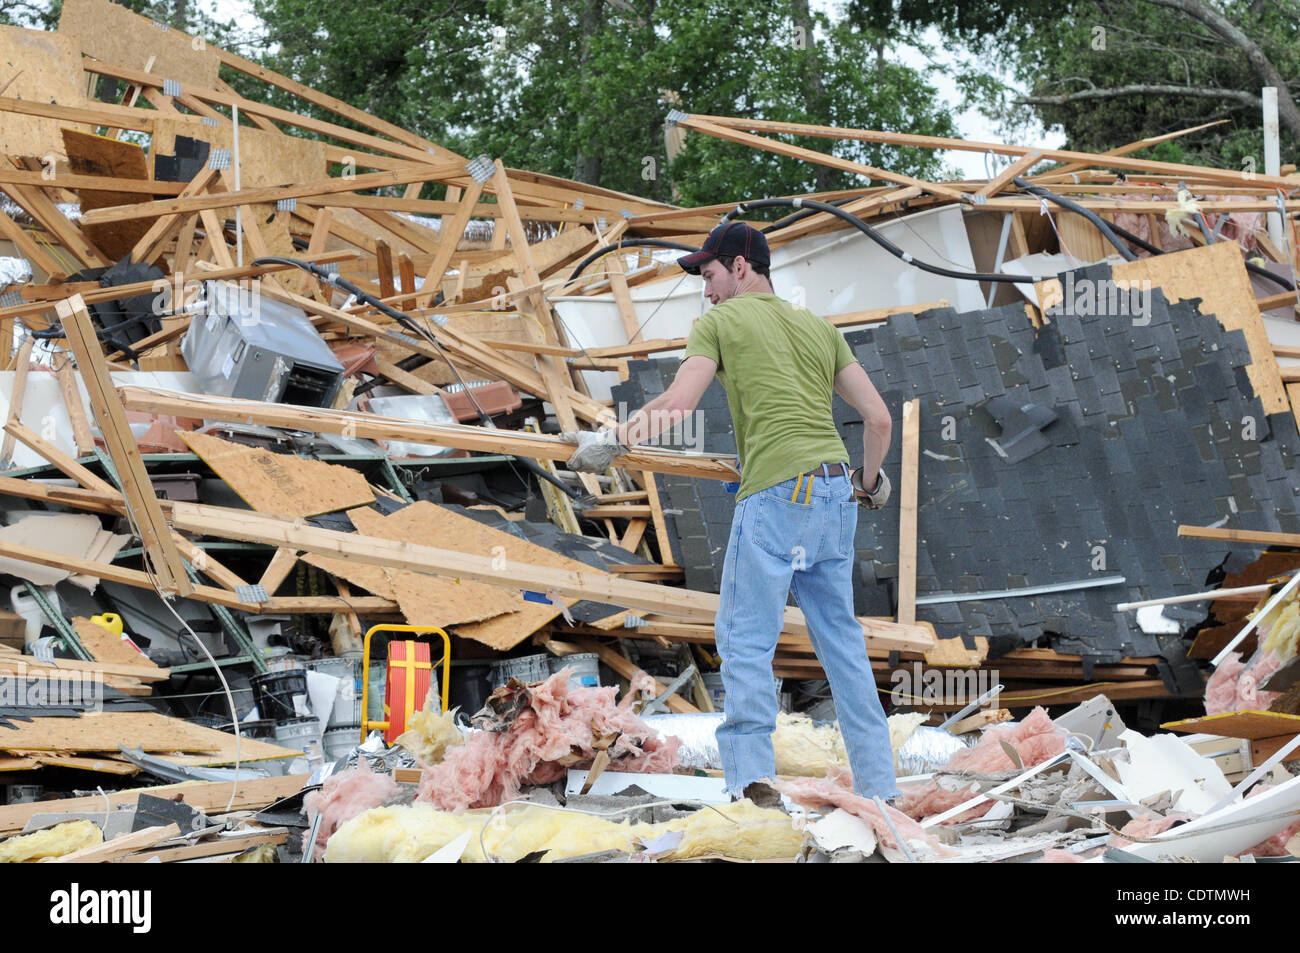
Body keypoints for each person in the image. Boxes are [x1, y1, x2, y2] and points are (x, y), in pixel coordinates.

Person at [564, 221, 899, 805]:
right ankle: (882, 791)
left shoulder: (718, 323)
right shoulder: (821, 328)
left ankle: (751, 793)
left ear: (741, 266)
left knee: (746, 647)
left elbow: (678, 404)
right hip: (833, 495)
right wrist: (868, 487)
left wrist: (615, 440)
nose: (706, 290)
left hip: (775, 500)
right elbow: (879, 421)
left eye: (711, 274)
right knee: (843, 648)